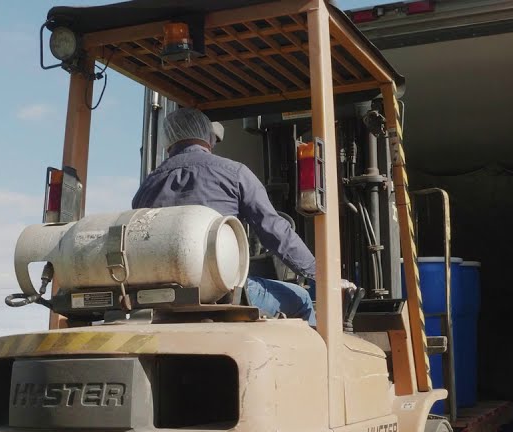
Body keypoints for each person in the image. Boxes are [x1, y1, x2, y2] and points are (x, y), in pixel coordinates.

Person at [132, 108, 351, 326]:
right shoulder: (234, 173)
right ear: (209, 137)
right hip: (223, 293)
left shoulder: (147, 187)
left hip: (163, 299)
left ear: (167, 140)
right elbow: (274, 231)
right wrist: (320, 275)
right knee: (302, 298)